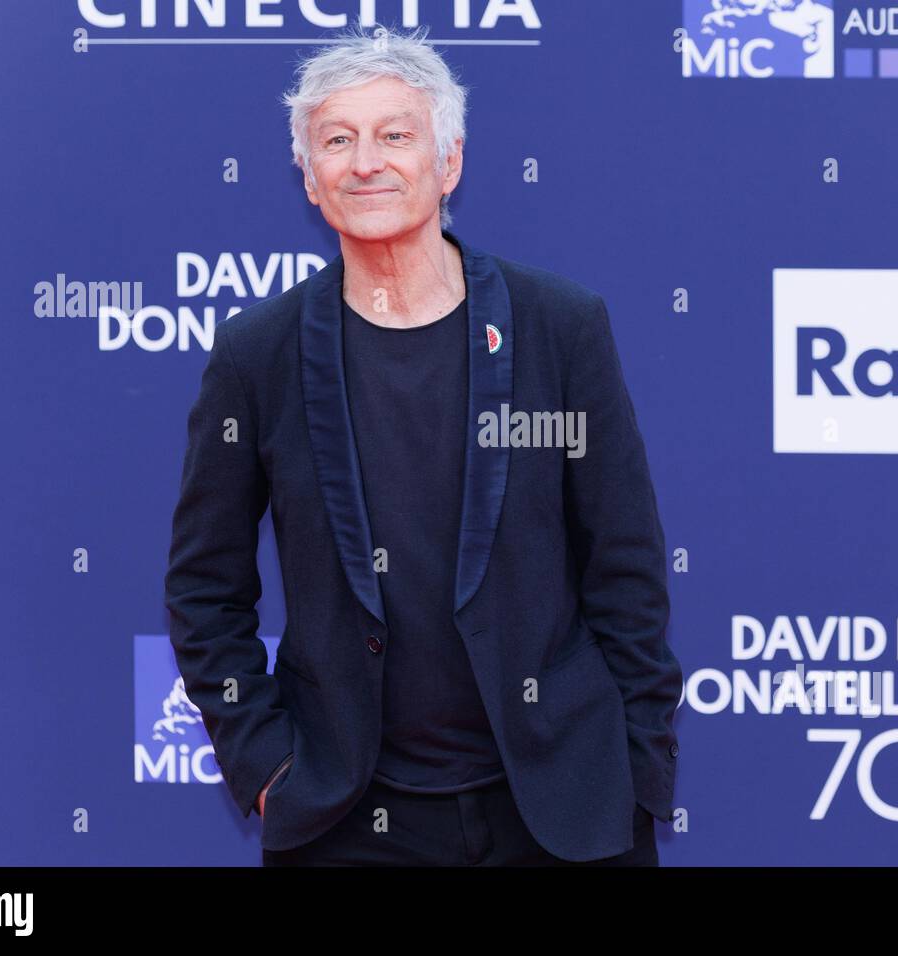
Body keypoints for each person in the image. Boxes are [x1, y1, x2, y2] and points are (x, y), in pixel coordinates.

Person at [163, 23, 681, 866]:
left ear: (449, 163)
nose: (366, 161)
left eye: (395, 135)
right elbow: (203, 587)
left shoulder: (559, 327)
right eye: (338, 140)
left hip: (560, 808)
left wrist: (637, 773)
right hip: (346, 816)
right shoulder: (258, 352)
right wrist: (266, 766)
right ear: (309, 175)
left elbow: (625, 566)